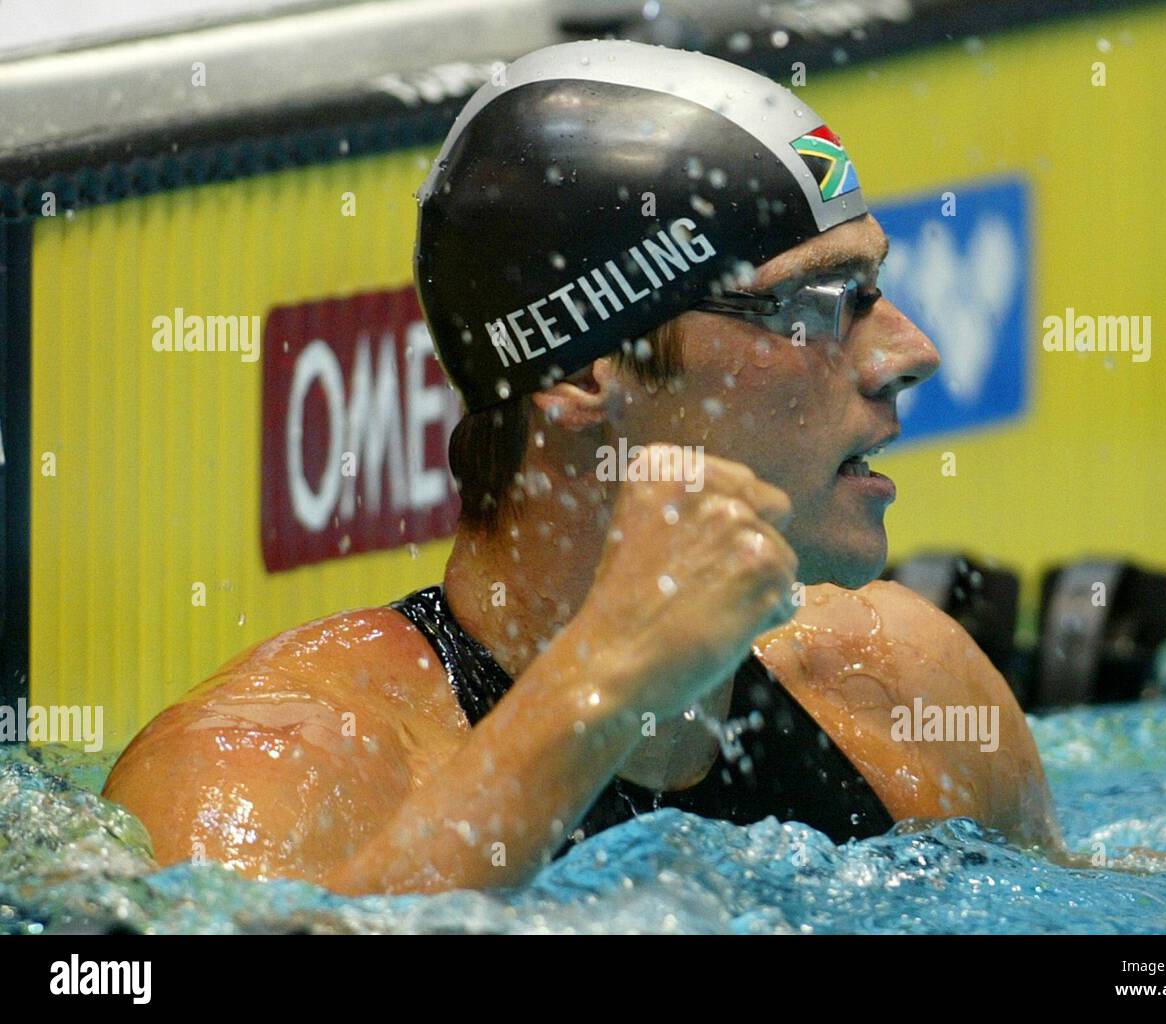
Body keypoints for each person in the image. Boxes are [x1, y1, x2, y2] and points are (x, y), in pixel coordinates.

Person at [102, 38, 1061, 895]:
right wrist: (603, 680)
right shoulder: (266, 778)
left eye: (875, 286)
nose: (909, 350)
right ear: (577, 374)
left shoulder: (902, 688)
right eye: (814, 304)